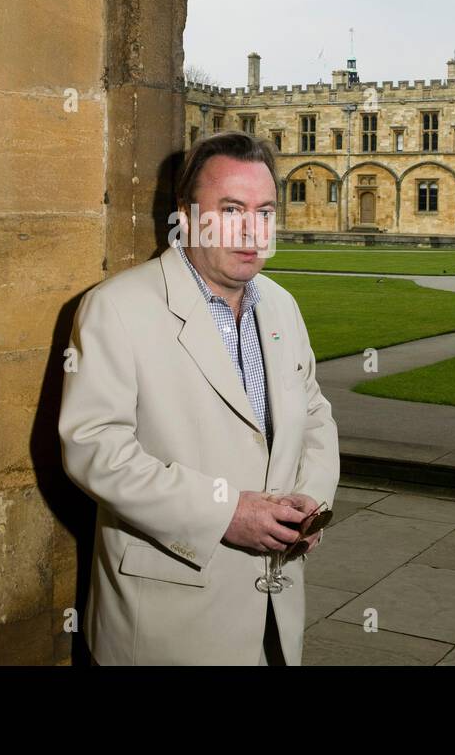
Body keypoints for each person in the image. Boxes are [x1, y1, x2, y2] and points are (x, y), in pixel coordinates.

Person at [58, 131, 340, 665]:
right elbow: (94, 449)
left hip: (273, 612)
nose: (251, 231)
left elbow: (314, 414)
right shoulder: (115, 308)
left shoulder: (281, 307)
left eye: (264, 211)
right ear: (185, 217)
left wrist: (310, 501)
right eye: (231, 209)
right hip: (169, 621)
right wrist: (225, 513)